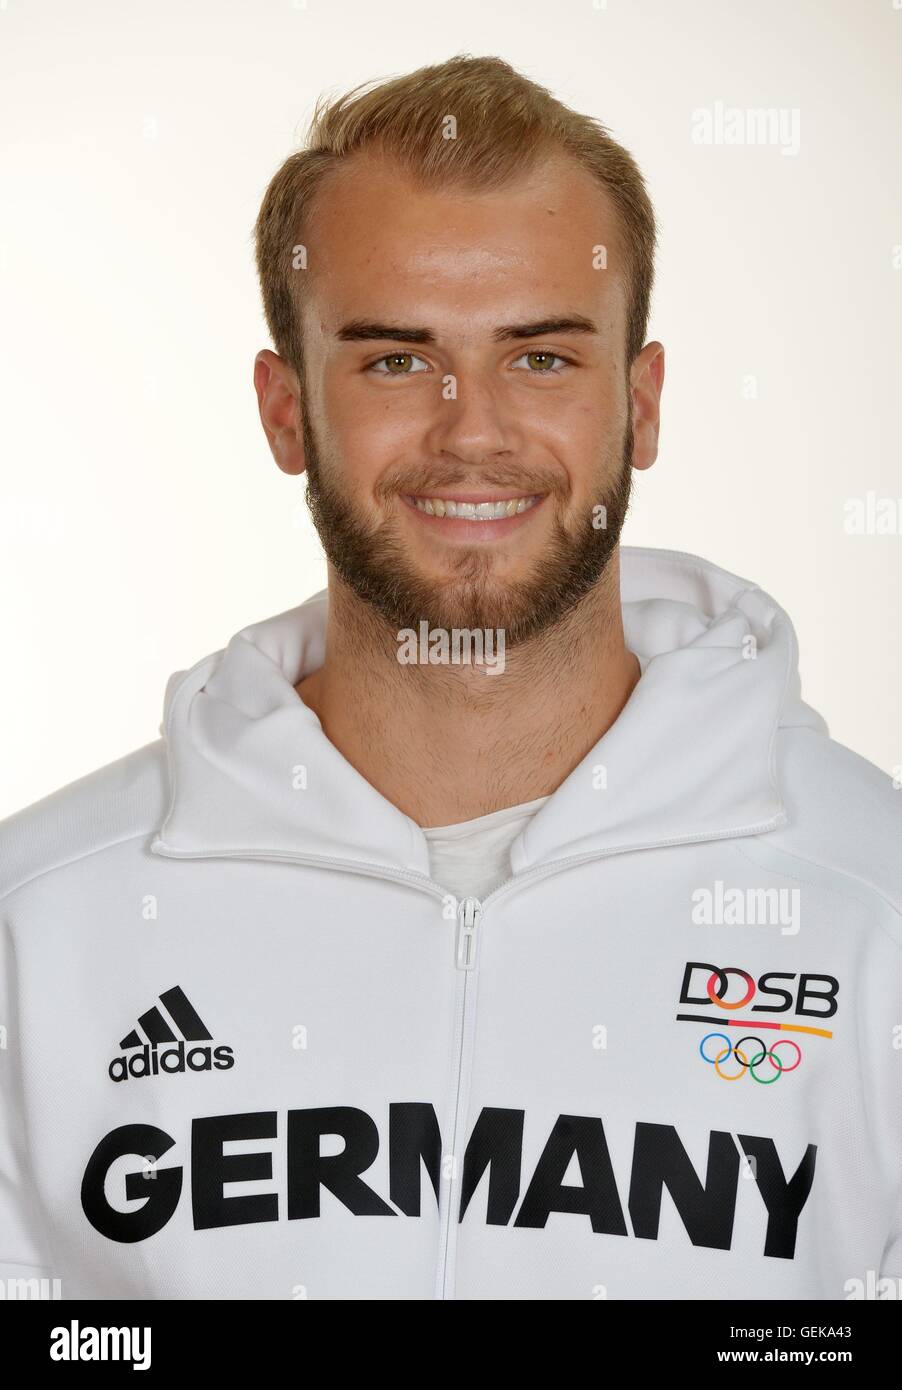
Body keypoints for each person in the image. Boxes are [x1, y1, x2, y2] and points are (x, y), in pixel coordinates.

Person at [1, 53, 900, 1302]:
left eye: (539, 359)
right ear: (283, 409)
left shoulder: (873, 906)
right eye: (389, 360)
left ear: (638, 404)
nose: (468, 429)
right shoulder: (38, 925)